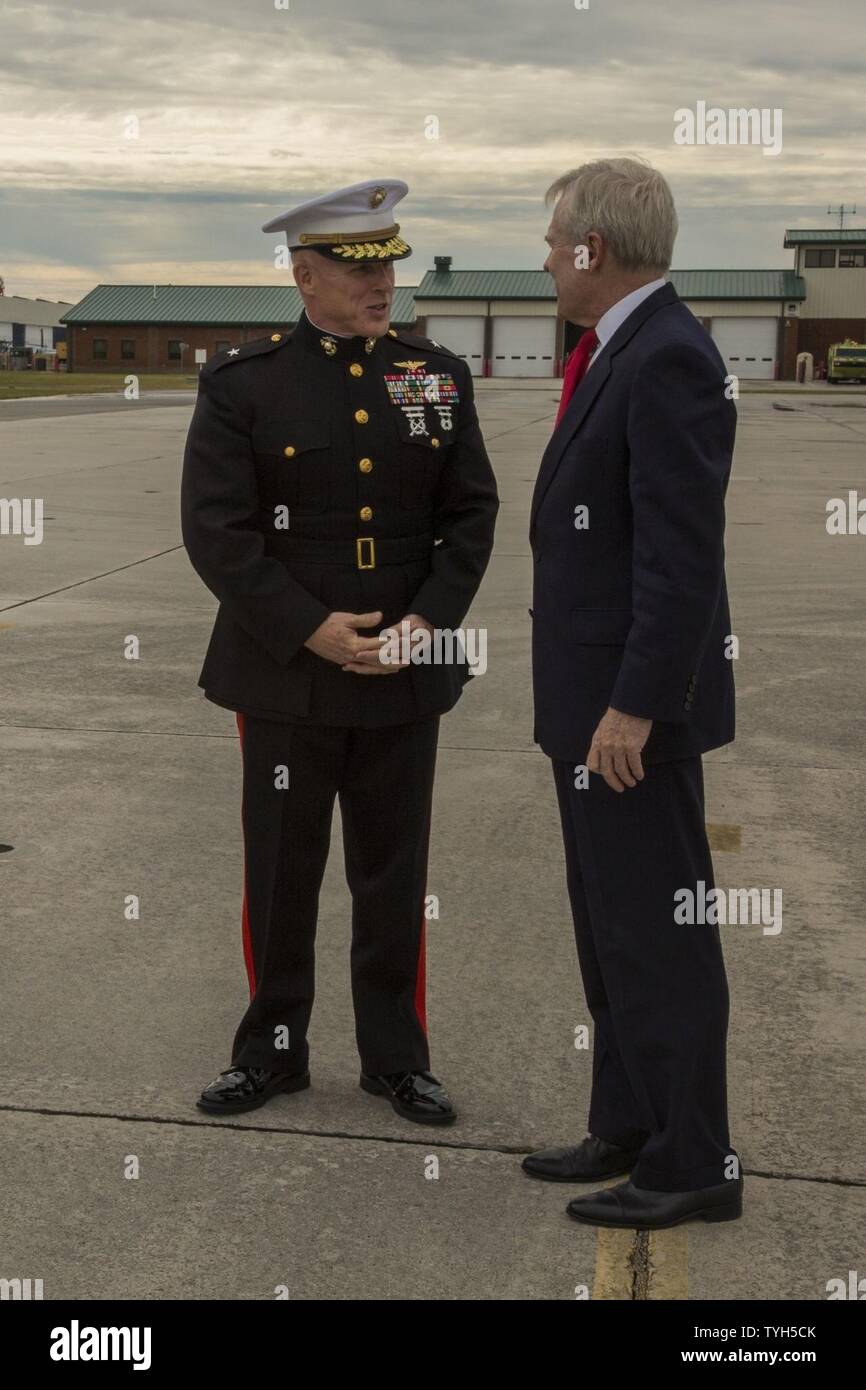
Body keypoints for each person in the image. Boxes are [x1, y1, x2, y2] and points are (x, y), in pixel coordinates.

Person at [181, 179, 498, 1124]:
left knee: (392, 872)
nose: (384, 283)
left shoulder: (434, 375)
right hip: (285, 674)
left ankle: (396, 1058)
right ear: (305, 275)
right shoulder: (247, 382)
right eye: (361, 268)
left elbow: (469, 513)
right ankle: (272, 1053)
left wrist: (425, 624)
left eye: (390, 263)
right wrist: (308, 627)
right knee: (280, 869)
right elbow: (217, 529)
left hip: (403, 674)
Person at [524, 157, 742, 1227]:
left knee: (659, 935)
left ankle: (692, 1159)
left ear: (590, 249)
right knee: (610, 925)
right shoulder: (618, 348)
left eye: (550, 236)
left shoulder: (665, 358)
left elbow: (678, 557)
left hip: (627, 720)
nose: (543, 255)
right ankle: (626, 1121)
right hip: (591, 708)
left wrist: (635, 705)